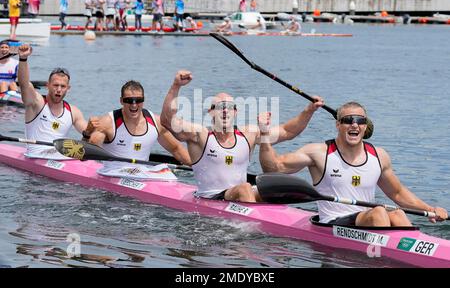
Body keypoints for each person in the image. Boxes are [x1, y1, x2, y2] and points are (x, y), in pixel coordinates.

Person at [258, 101, 449, 226]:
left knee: (398, 215)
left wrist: (430, 209)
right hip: (332, 223)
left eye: (360, 120)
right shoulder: (319, 153)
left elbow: (397, 193)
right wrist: (265, 134)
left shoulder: (379, 156)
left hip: (368, 220)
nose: (354, 124)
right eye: (348, 120)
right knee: (379, 213)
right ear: (338, 125)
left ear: (365, 127)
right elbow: (273, 167)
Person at [160, 70, 324, 202]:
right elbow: (168, 121)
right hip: (211, 198)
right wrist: (176, 86)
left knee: (276, 187)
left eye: (229, 107)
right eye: (219, 107)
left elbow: (289, 132)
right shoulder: (200, 135)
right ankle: (255, 232)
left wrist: (309, 110)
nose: (225, 110)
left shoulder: (249, 134)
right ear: (210, 112)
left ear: (236, 112)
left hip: (238, 196)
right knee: (245, 187)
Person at [86, 80, 191, 177]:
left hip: (142, 174)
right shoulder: (107, 123)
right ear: (121, 101)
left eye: (138, 100)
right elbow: (86, 154)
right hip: (112, 174)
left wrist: (198, 166)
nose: (134, 104)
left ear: (143, 100)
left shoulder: (156, 122)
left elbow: (176, 149)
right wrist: (87, 133)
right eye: (129, 100)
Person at [16, 44, 94, 160]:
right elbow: (24, 84)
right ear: (47, 86)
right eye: (55, 85)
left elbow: (89, 134)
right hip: (36, 155)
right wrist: (23, 59)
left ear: (68, 88)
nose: (58, 89)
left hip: (61, 157)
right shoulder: (36, 102)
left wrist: (91, 132)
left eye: (63, 86)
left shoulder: (73, 111)